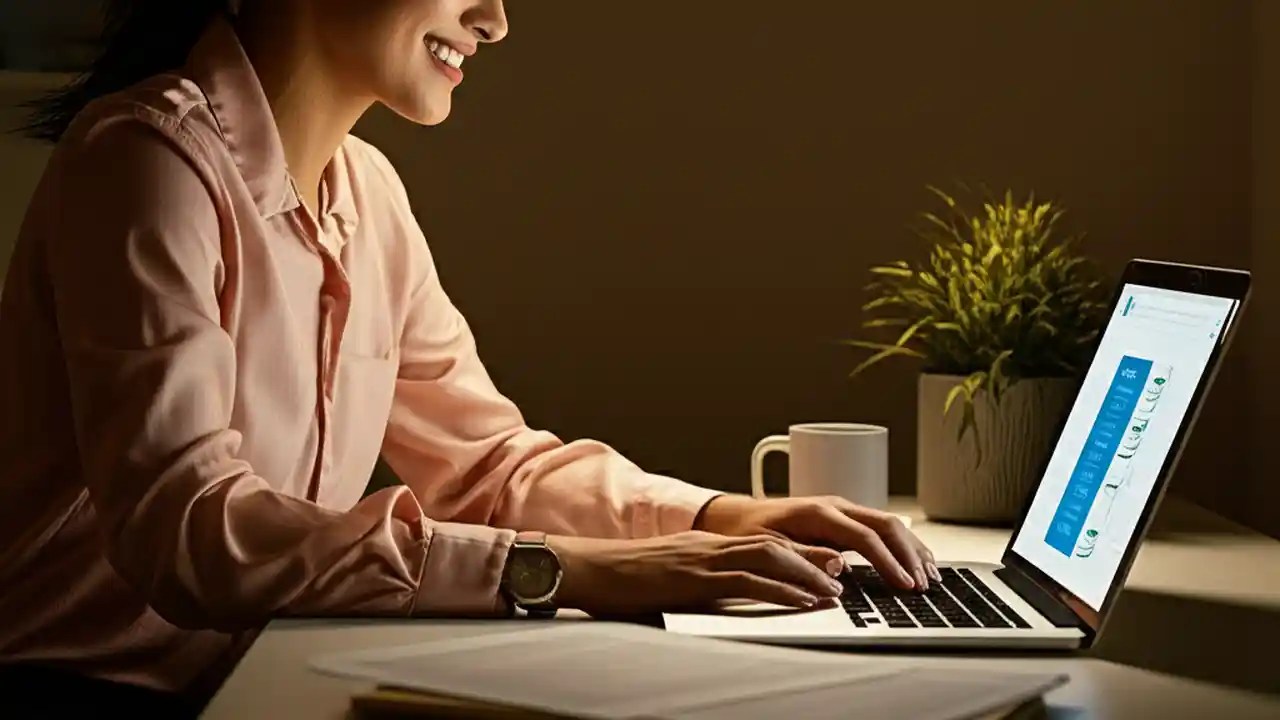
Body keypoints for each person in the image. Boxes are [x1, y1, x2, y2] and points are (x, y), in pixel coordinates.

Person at [0, 0, 939, 714]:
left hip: (260, 677)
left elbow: (489, 465)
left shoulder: (368, 192)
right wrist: (582, 571)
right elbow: (191, 531)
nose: (493, 19)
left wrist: (726, 516)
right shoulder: (145, 161)